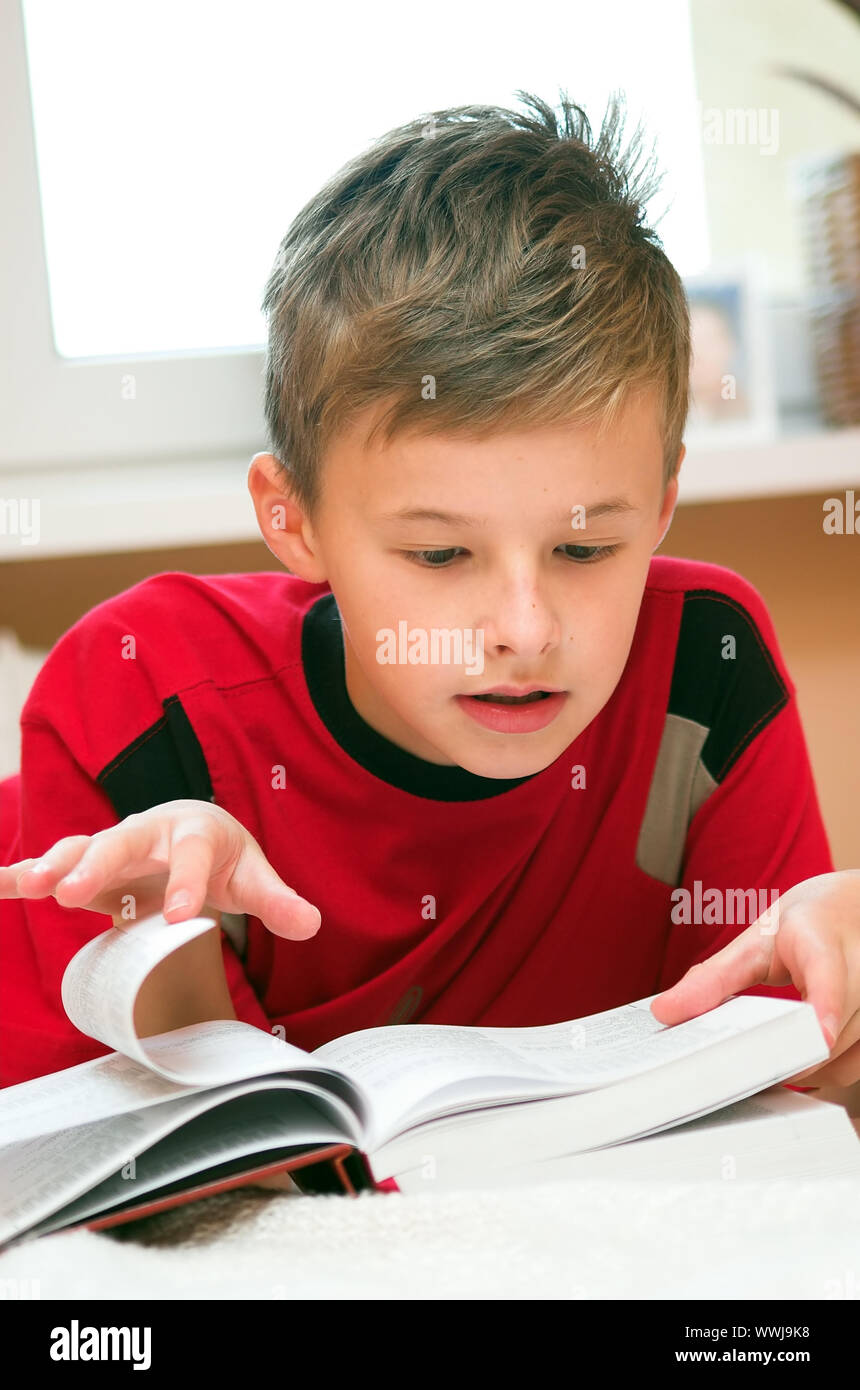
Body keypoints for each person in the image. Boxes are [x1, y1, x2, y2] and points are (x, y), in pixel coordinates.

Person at [2, 91, 857, 1095]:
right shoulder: (138, 696)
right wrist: (163, 942)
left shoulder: (706, 672)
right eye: (439, 557)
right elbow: (105, 1178)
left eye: (585, 552)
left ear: (664, 499)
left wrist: (830, 1041)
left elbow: (764, 1112)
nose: (524, 632)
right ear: (294, 518)